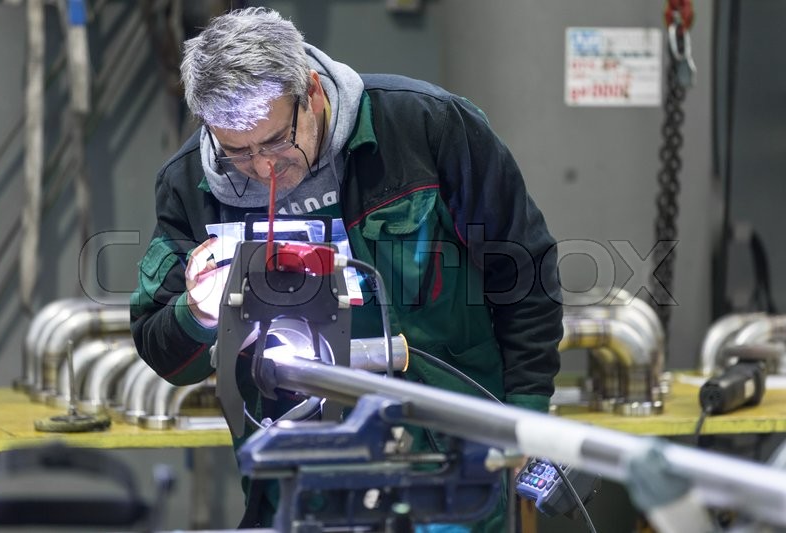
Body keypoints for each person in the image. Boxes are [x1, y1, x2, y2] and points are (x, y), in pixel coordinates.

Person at [130, 6, 563, 531]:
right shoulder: (189, 188)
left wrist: (526, 411)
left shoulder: (426, 128)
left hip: (451, 464)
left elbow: (524, 271)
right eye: (237, 153)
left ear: (310, 90)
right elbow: (162, 351)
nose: (264, 168)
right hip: (296, 478)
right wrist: (198, 311)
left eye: (274, 142)